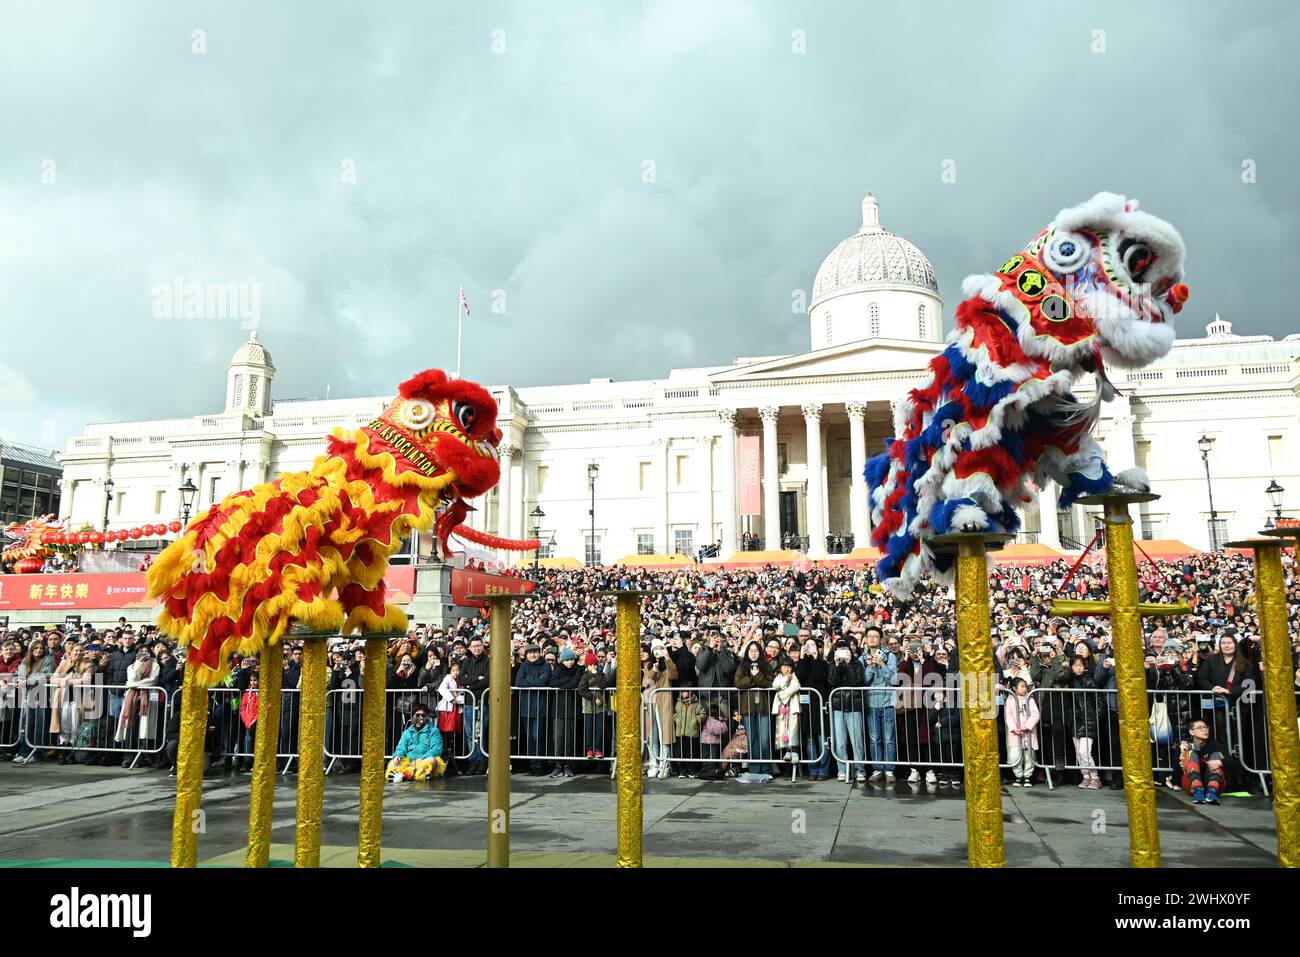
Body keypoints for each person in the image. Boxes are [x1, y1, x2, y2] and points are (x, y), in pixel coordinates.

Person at [860, 626, 898, 783]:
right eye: (870, 636)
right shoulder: (862, 658)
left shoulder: (890, 656)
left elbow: (894, 679)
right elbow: (864, 680)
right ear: (866, 639)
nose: (873, 639)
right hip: (871, 703)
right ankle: (877, 768)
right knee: (874, 738)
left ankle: (889, 770)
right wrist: (870, 667)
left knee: (889, 738)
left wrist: (882, 664)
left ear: (881, 639)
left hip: (888, 702)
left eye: (876, 636)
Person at [829, 639, 867, 782]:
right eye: (839, 648)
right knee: (840, 741)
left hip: (854, 706)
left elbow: (856, 682)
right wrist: (838, 665)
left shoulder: (857, 663)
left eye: (845, 647)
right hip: (838, 706)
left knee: (857, 741)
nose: (843, 650)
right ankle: (842, 769)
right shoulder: (832, 664)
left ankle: (860, 770)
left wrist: (850, 664)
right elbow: (833, 682)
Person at [733, 639, 773, 775]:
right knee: (753, 739)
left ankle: (766, 769)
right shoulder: (742, 667)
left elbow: (769, 683)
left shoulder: (766, 666)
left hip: (763, 707)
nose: (754, 653)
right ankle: (755, 769)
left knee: (764, 739)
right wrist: (753, 678)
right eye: (751, 651)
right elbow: (738, 683)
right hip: (748, 708)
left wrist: (758, 675)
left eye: (756, 651)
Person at [1065, 656, 1101, 789]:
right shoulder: (1070, 680)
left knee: (1085, 751)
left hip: (1088, 719)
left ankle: (1095, 777)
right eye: (1075, 665)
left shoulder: (1090, 680)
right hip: (1075, 719)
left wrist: (1095, 716)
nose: (1078, 668)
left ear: (1085, 665)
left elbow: (1099, 700)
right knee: (1078, 752)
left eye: (1080, 665)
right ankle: (1085, 776)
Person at [644, 638, 678, 779]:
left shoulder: (669, 663)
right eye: (655, 649)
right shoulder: (649, 666)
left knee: (665, 734)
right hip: (650, 702)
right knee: (651, 734)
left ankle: (665, 765)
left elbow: (673, 675)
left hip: (664, 701)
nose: (658, 651)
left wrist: (667, 658)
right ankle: (654, 764)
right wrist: (654, 669)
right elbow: (646, 682)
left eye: (661, 648)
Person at [516, 643, 552, 775]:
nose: (533, 655)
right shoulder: (524, 666)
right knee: (530, 737)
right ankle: (533, 765)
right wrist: (536, 679)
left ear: (539, 653)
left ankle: (540, 765)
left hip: (540, 707)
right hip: (526, 707)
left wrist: (529, 680)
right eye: (530, 653)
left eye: (535, 652)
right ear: (526, 655)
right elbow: (518, 682)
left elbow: (544, 682)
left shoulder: (545, 666)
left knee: (538, 736)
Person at [1179, 718, 1232, 805]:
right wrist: (1182, 754)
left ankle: (1212, 792)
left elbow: (1234, 764)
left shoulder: (1216, 745)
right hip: (1191, 785)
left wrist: (1220, 762)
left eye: (1205, 727)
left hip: (1216, 784)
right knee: (1190, 754)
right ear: (1191, 732)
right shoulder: (1186, 746)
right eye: (1200, 728)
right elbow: (1177, 773)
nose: (1204, 730)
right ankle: (1198, 790)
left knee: (1216, 755)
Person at [386, 704, 445, 781]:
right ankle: (408, 774)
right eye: (418, 715)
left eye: (423, 715)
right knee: (393, 763)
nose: (420, 717)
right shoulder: (407, 732)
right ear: (413, 716)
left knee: (431, 760)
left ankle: (413, 775)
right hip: (409, 761)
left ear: (426, 717)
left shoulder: (434, 731)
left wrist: (420, 760)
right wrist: (397, 756)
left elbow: (436, 750)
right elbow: (401, 747)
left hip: (424, 760)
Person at [549, 647, 582, 778]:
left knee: (570, 739)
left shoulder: (579, 669)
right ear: (562, 661)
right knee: (558, 738)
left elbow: (575, 683)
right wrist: (568, 682)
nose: (570, 663)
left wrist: (563, 683)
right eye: (567, 660)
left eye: (571, 660)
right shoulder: (558, 669)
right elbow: (552, 683)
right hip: (558, 709)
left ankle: (568, 765)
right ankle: (558, 765)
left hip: (573, 709)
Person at [460, 636, 490, 775]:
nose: (476, 648)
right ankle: (472, 760)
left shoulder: (488, 661)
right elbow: (461, 679)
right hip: (468, 702)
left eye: (479, 645)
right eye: (474, 646)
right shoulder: (466, 661)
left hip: (482, 701)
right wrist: (477, 678)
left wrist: (470, 684)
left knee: (480, 733)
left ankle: (482, 761)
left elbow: (487, 681)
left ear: (483, 646)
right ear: (470, 648)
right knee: (470, 733)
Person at [1004, 676, 1039, 787]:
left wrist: (1027, 726)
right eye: (1022, 686)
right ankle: (1018, 776)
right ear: (1014, 688)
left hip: (1028, 732)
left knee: (1029, 755)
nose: (1025, 689)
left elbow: (1035, 714)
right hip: (1016, 733)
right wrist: (1014, 728)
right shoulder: (1010, 700)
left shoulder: (1030, 699)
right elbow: (1008, 715)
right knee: (1015, 755)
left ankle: (1027, 776)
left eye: (1025, 686)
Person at [435, 660, 465, 774]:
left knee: (456, 734)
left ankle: (455, 759)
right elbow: (442, 689)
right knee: (446, 734)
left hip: (457, 710)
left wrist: (458, 699)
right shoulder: (448, 678)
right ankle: (445, 760)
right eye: (454, 670)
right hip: (448, 709)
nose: (456, 672)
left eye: (458, 670)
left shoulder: (462, 679)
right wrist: (452, 699)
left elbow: (463, 694)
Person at [577, 650, 609, 759]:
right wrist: (594, 698)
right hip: (588, 706)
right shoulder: (584, 676)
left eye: (594, 664)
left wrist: (596, 674)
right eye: (590, 664)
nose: (592, 666)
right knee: (589, 728)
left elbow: (603, 685)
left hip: (600, 707)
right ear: (587, 665)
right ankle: (589, 749)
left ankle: (598, 749)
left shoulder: (601, 674)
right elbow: (581, 690)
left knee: (599, 728)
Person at [771, 657, 802, 766]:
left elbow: (796, 686)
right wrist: (785, 680)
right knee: (782, 728)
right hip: (782, 708)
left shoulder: (794, 677)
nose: (786, 669)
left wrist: (783, 694)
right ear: (780, 668)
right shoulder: (779, 677)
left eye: (789, 667)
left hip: (792, 707)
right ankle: (787, 750)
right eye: (784, 667)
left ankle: (794, 751)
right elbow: (775, 685)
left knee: (793, 728)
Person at [672, 689, 705, 776]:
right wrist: (676, 718)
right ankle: (682, 770)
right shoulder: (679, 703)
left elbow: (703, 714)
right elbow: (675, 713)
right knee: (682, 751)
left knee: (692, 752)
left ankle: (691, 769)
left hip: (692, 732)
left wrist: (696, 719)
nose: (682, 693)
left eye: (684, 691)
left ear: (690, 692)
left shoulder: (696, 703)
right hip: (681, 732)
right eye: (681, 691)